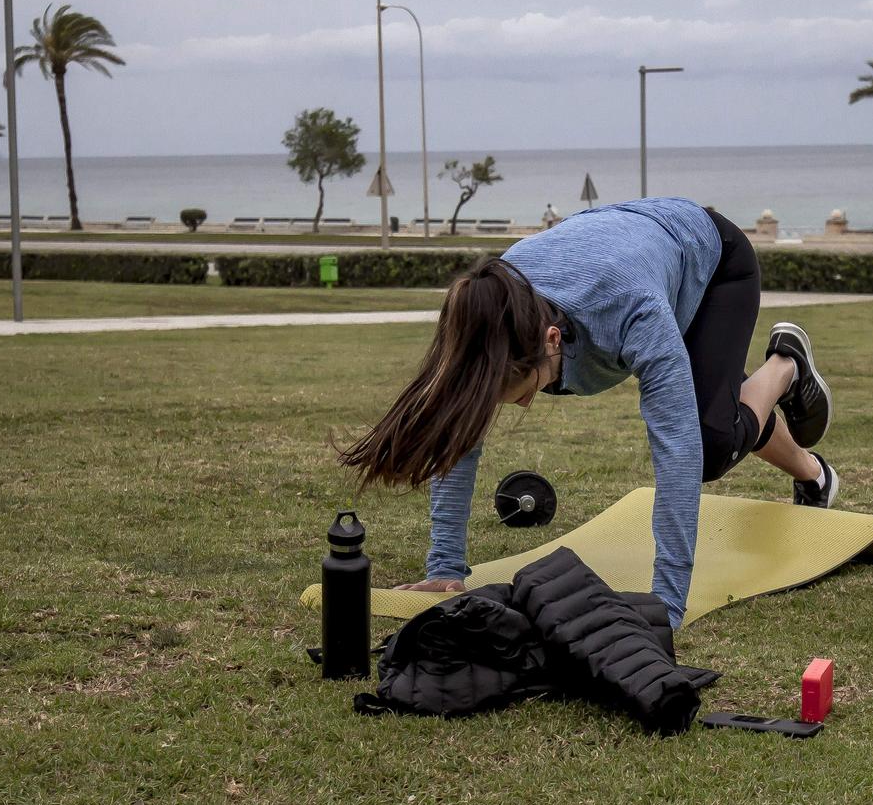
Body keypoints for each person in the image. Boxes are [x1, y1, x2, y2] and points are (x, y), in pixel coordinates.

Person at [339, 198, 837, 628]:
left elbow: (676, 450)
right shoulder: (495, 311)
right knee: (717, 414)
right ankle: (815, 478)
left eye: (522, 389)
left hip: (711, 263)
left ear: (552, 339)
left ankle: (785, 365)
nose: (525, 404)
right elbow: (459, 426)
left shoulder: (632, 311)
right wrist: (447, 567)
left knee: (708, 445)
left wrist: (665, 601)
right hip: (627, 248)